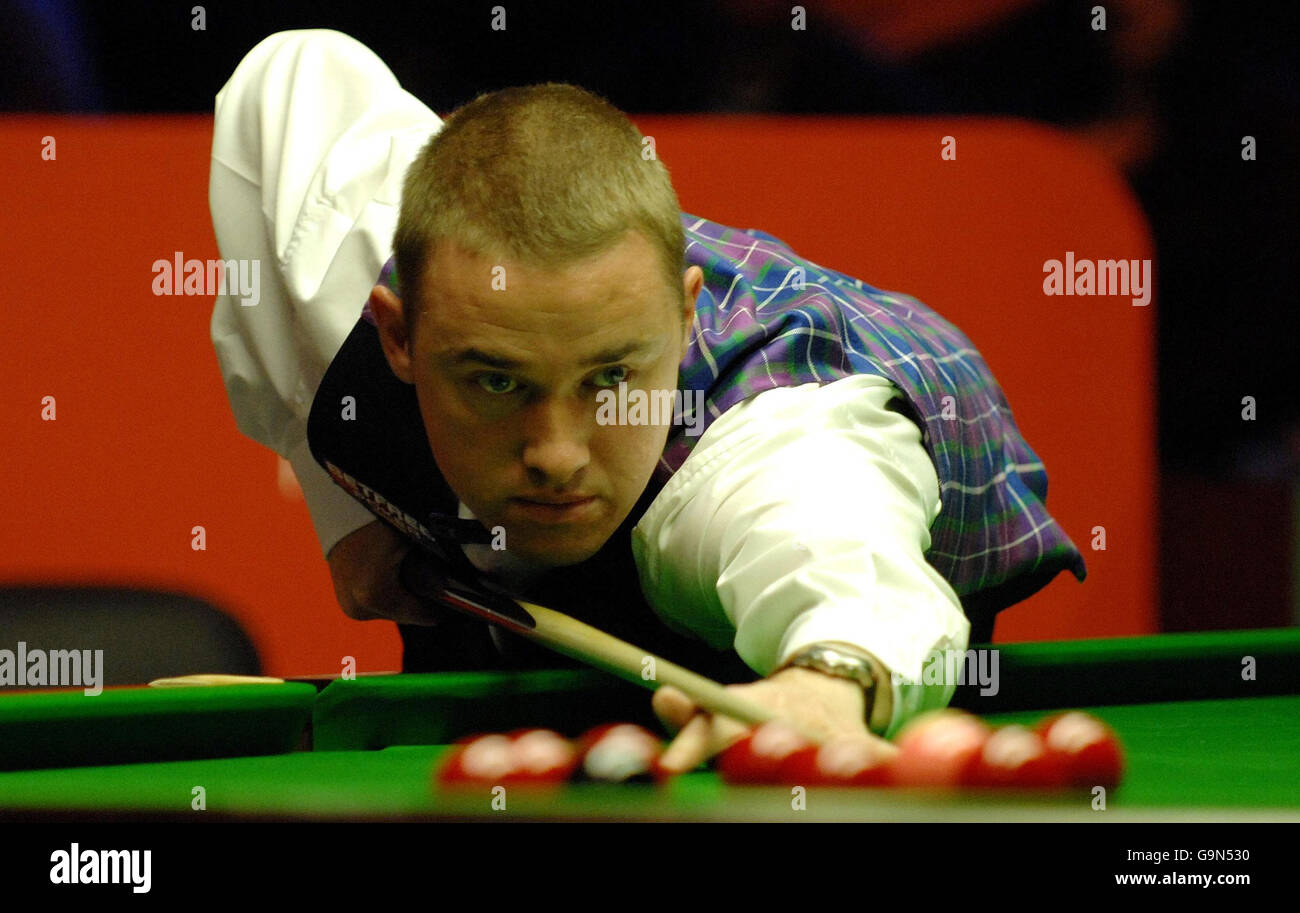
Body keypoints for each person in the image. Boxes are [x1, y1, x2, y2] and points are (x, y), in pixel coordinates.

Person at [209, 30, 1084, 773]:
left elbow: (846, 566)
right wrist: (349, 521)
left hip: (912, 451)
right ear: (397, 334)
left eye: (610, 380)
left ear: (685, 318)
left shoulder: (766, 455)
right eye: (496, 381)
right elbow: (284, 77)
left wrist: (825, 678)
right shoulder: (348, 257)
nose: (556, 452)